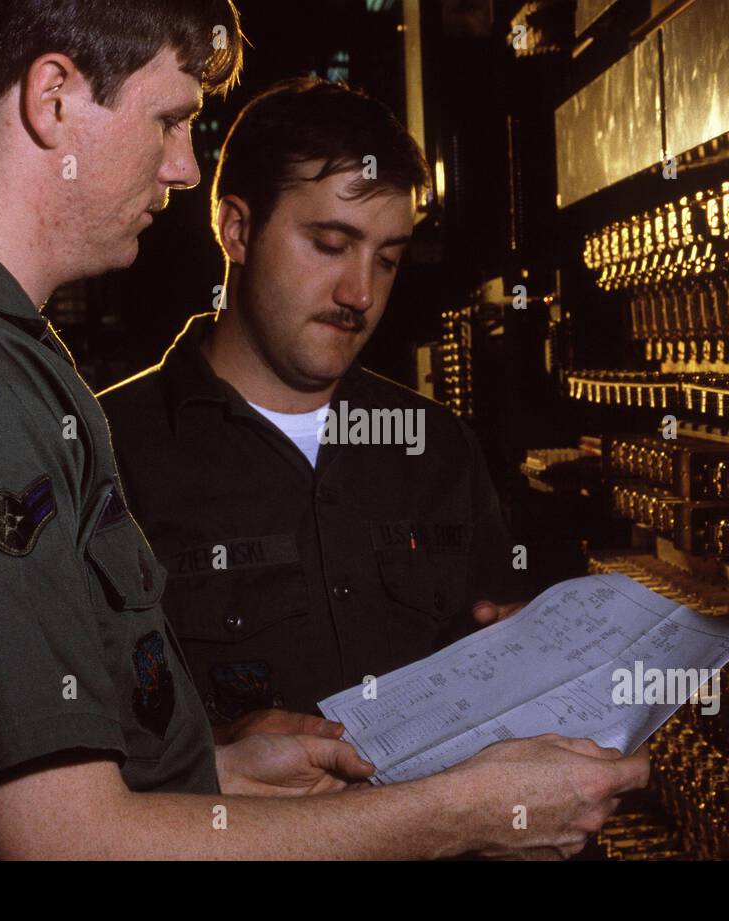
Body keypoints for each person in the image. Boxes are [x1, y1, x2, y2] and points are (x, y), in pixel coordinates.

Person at [0, 0, 648, 860]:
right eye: (169, 120)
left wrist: (202, 771)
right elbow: (62, 843)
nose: (181, 166)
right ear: (53, 99)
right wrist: (461, 812)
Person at [100, 79, 535, 739]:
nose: (360, 293)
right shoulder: (107, 451)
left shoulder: (438, 447)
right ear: (237, 230)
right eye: (330, 245)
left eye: (387, 260)